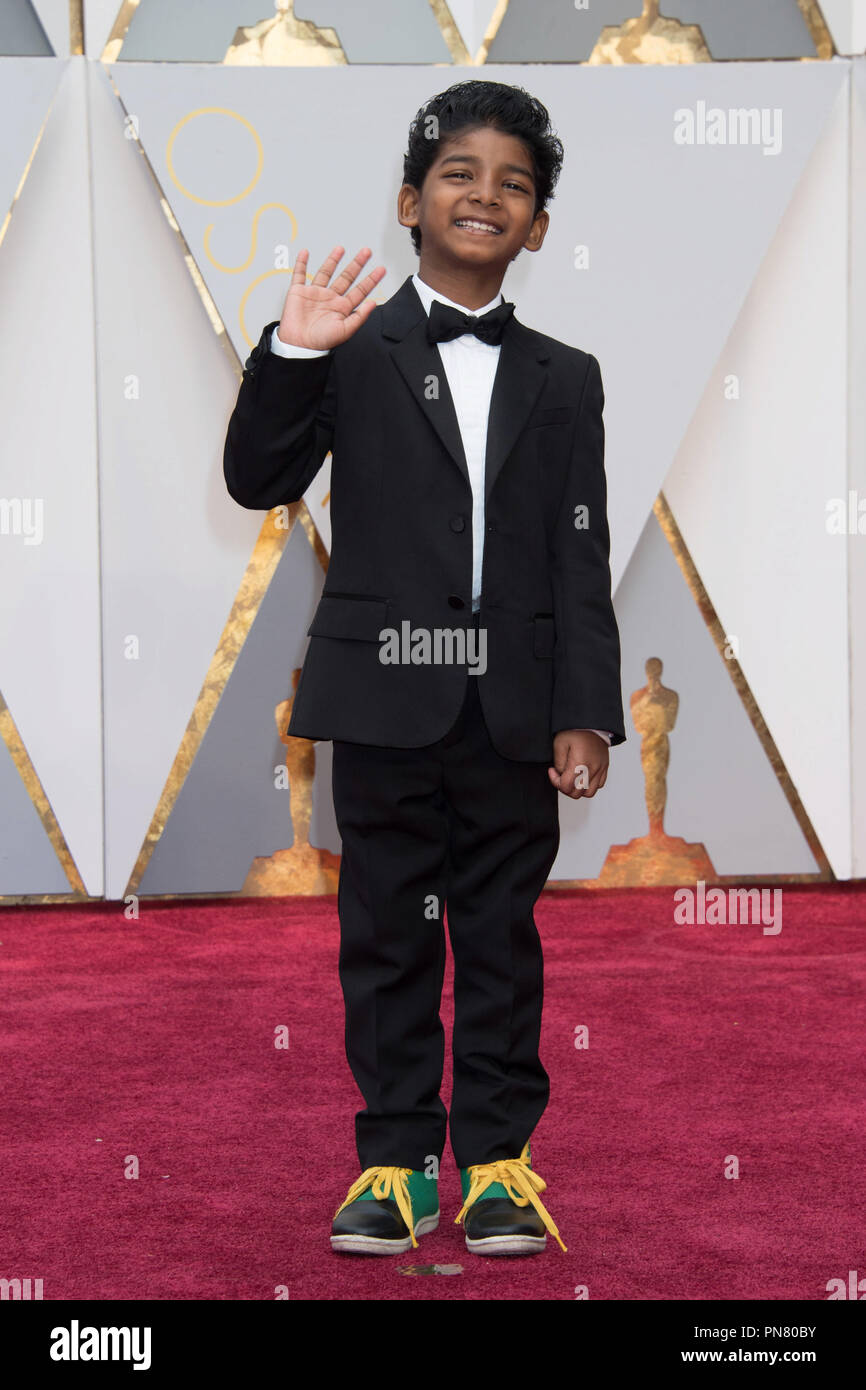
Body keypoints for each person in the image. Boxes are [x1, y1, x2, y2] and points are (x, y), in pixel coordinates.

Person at [223, 79, 625, 1257]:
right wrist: (294, 347)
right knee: (389, 933)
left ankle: (498, 1164)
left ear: (538, 224)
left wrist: (584, 710)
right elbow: (258, 477)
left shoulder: (568, 374)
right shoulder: (351, 347)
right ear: (410, 200)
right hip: (388, 694)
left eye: (512, 183)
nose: (483, 195)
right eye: (458, 174)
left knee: (500, 936)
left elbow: (577, 550)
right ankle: (393, 1165)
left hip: (512, 708)